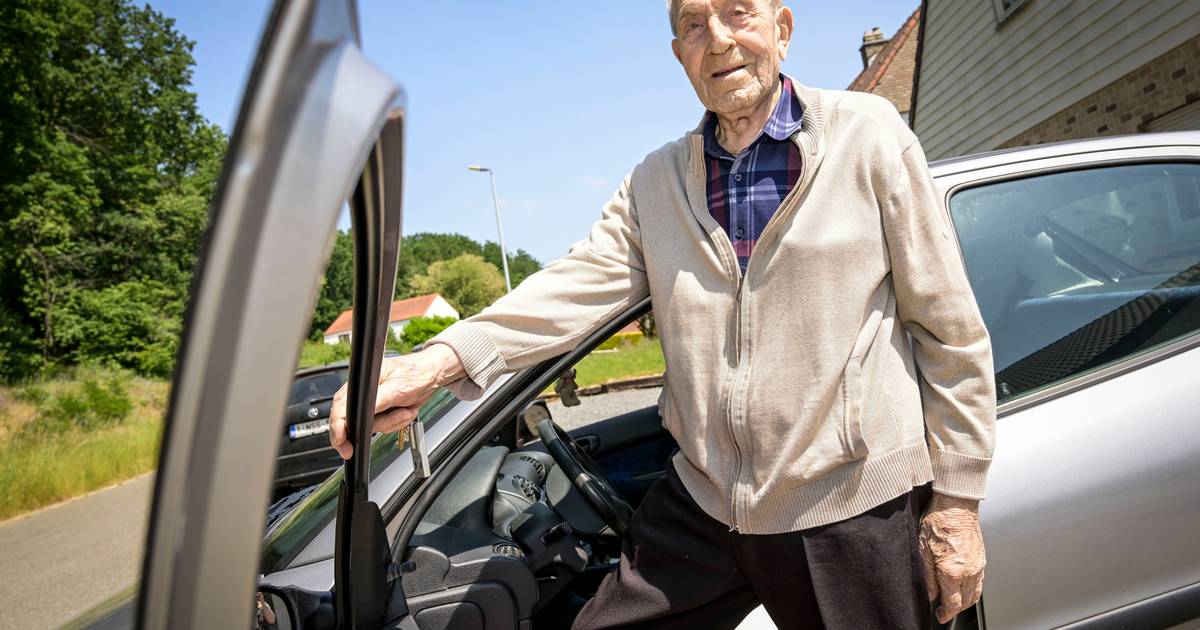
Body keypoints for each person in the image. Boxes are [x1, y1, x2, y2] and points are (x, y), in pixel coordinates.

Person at [330, 1, 995, 627]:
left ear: (782, 27)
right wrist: (437, 360)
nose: (720, 38)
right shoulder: (656, 181)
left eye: (738, 12)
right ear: (679, 53)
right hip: (707, 504)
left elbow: (948, 327)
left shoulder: (868, 134)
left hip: (850, 506)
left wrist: (958, 502)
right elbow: (575, 285)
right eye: (694, 24)